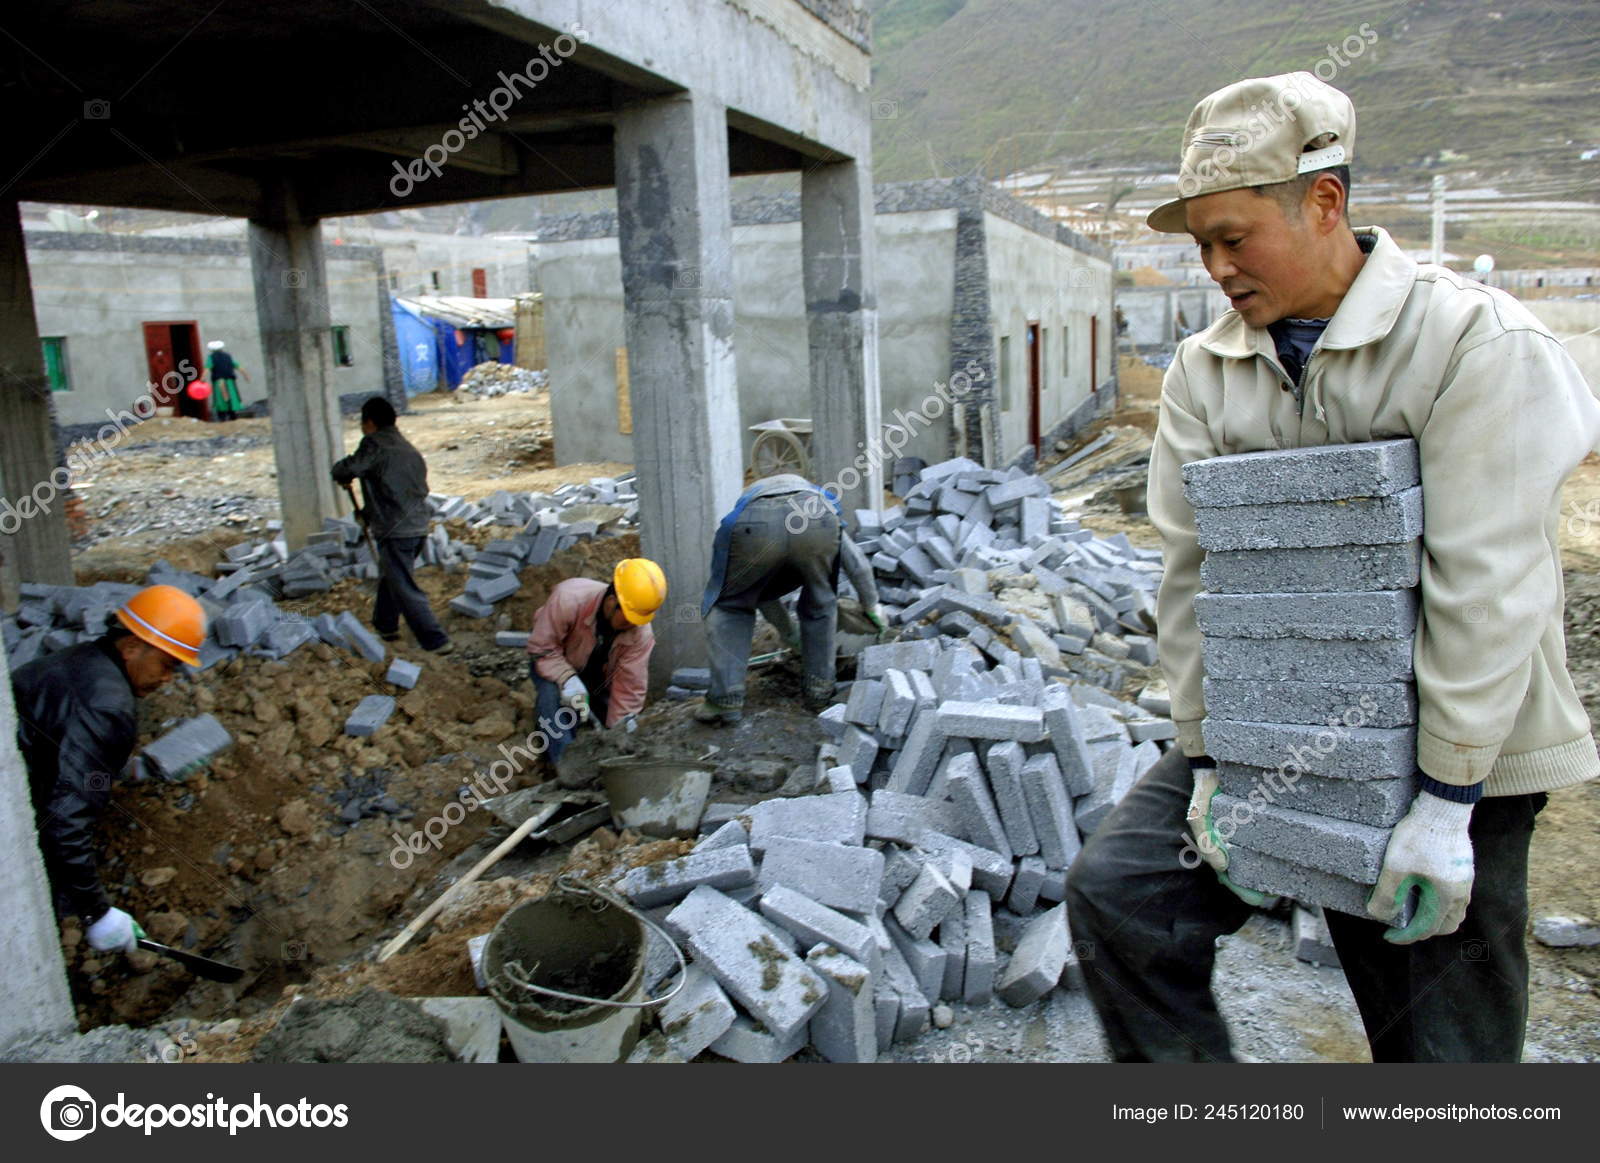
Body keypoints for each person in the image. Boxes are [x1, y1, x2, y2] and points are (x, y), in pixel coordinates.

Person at [1065, 72, 1600, 1063]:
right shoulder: (1203, 370)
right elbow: (1190, 573)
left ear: (1323, 201)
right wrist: (1213, 762)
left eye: (1235, 237)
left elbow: (1485, 582)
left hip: (1455, 751)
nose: (1216, 266)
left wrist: (1444, 802)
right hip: (1275, 726)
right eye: (1200, 245)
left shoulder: (1468, 342)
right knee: (1124, 894)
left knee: (1436, 1044)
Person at [14, 585, 206, 956]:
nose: (168, 679)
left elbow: (57, 752)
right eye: (166, 664)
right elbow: (64, 817)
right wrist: (95, 913)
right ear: (132, 647)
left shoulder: (77, 662)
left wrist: (123, 771)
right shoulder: (108, 706)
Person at [695, 474, 885, 724]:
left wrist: (789, 633)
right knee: (822, 602)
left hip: (755, 525)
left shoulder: (747, 502)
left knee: (730, 606)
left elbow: (760, 596)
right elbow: (857, 564)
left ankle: (725, 701)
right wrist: (873, 607)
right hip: (816, 519)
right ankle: (819, 691)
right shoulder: (817, 496)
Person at [331, 397, 452, 653]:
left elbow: (348, 469)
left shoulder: (375, 443)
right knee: (392, 576)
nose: (362, 429)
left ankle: (436, 640)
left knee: (404, 587)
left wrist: (341, 472)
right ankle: (385, 624)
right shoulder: (407, 448)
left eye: (362, 423)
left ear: (370, 422)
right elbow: (396, 489)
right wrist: (368, 512)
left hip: (396, 529)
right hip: (417, 525)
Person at [525, 558, 666, 765]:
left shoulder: (640, 633)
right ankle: (566, 769)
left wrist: (622, 733)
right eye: (627, 618)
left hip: (598, 678)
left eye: (638, 620)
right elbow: (541, 649)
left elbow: (629, 688)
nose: (632, 625)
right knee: (551, 701)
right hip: (553, 665)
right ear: (611, 601)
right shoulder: (568, 599)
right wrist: (567, 679)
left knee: (607, 724)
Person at [205, 340, 250, 421]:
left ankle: (222, 418)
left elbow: (207, 368)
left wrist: (201, 379)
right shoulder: (228, 356)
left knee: (220, 399)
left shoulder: (211, 357)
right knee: (232, 397)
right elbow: (238, 367)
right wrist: (246, 376)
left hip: (219, 382)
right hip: (230, 382)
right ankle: (233, 416)